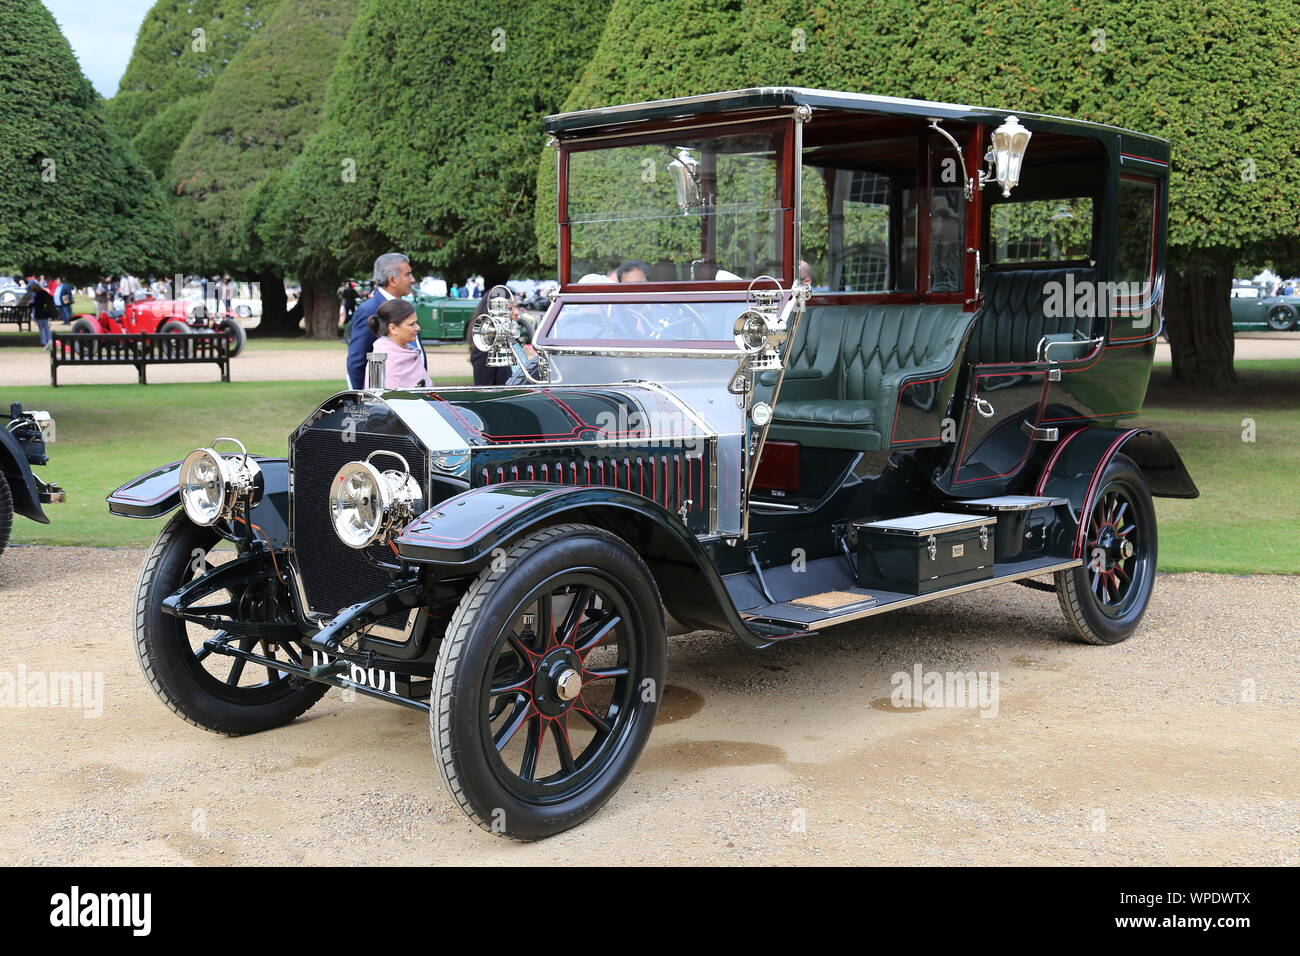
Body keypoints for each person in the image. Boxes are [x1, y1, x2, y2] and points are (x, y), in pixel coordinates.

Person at [347, 252, 416, 389]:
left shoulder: (405, 307)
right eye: (407, 275)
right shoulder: (369, 310)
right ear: (392, 280)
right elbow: (357, 362)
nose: (413, 279)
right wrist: (364, 401)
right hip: (386, 400)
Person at [368, 299, 430, 388]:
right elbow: (378, 399)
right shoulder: (380, 361)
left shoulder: (410, 354)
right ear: (393, 328)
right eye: (411, 324)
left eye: (416, 323)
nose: (418, 328)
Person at [467, 293, 515, 386]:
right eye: (509, 309)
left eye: (516, 307)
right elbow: (483, 391)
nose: (516, 312)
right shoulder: (485, 349)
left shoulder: (511, 343)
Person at [26, 277, 57, 349]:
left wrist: (31, 305)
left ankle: (44, 342)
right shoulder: (45, 293)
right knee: (46, 327)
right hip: (45, 313)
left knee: (42, 328)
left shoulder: (39, 295)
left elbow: (37, 304)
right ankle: (49, 341)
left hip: (40, 313)